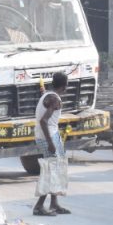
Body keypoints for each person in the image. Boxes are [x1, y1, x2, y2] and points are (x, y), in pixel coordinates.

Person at [33, 72, 70, 217]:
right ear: (65, 85)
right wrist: (50, 142)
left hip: (49, 135)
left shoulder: (47, 94)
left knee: (56, 168)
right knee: (51, 171)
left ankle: (54, 203)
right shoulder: (55, 99)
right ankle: (39, 206)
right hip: (48, 136)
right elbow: (44, 121)